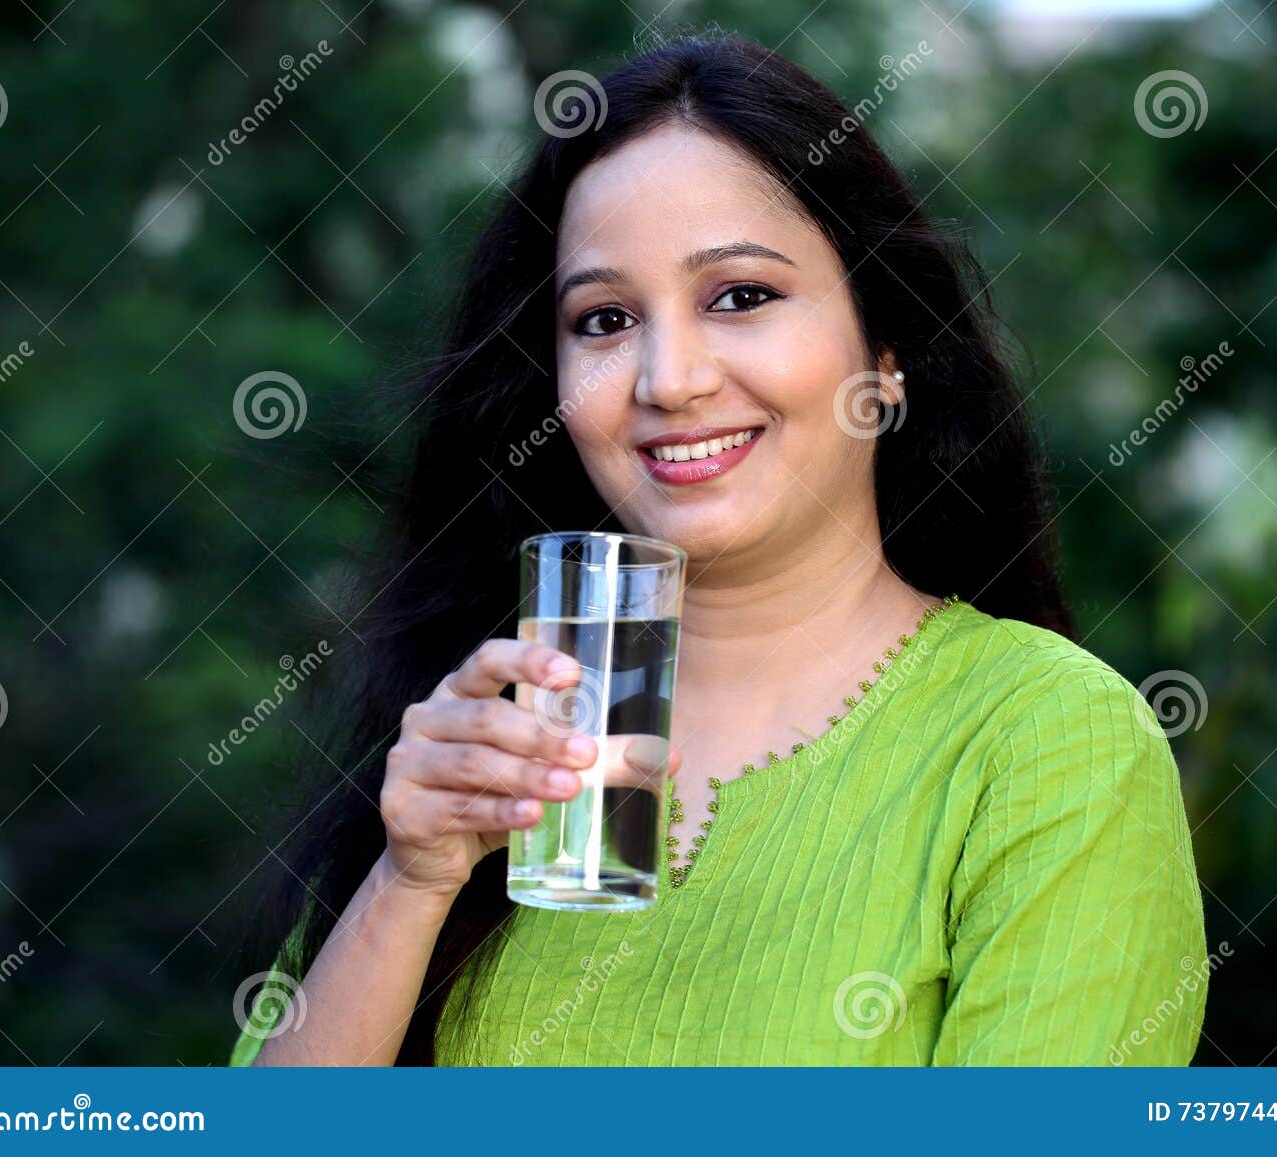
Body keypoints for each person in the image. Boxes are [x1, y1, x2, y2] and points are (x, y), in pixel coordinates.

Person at [228, 30, 1206, 1067]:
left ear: (886, 355)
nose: (669, 378)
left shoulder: (1048, 744)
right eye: (603, 318)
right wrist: (410, 880)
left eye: (740, 295)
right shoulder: (497, 745)